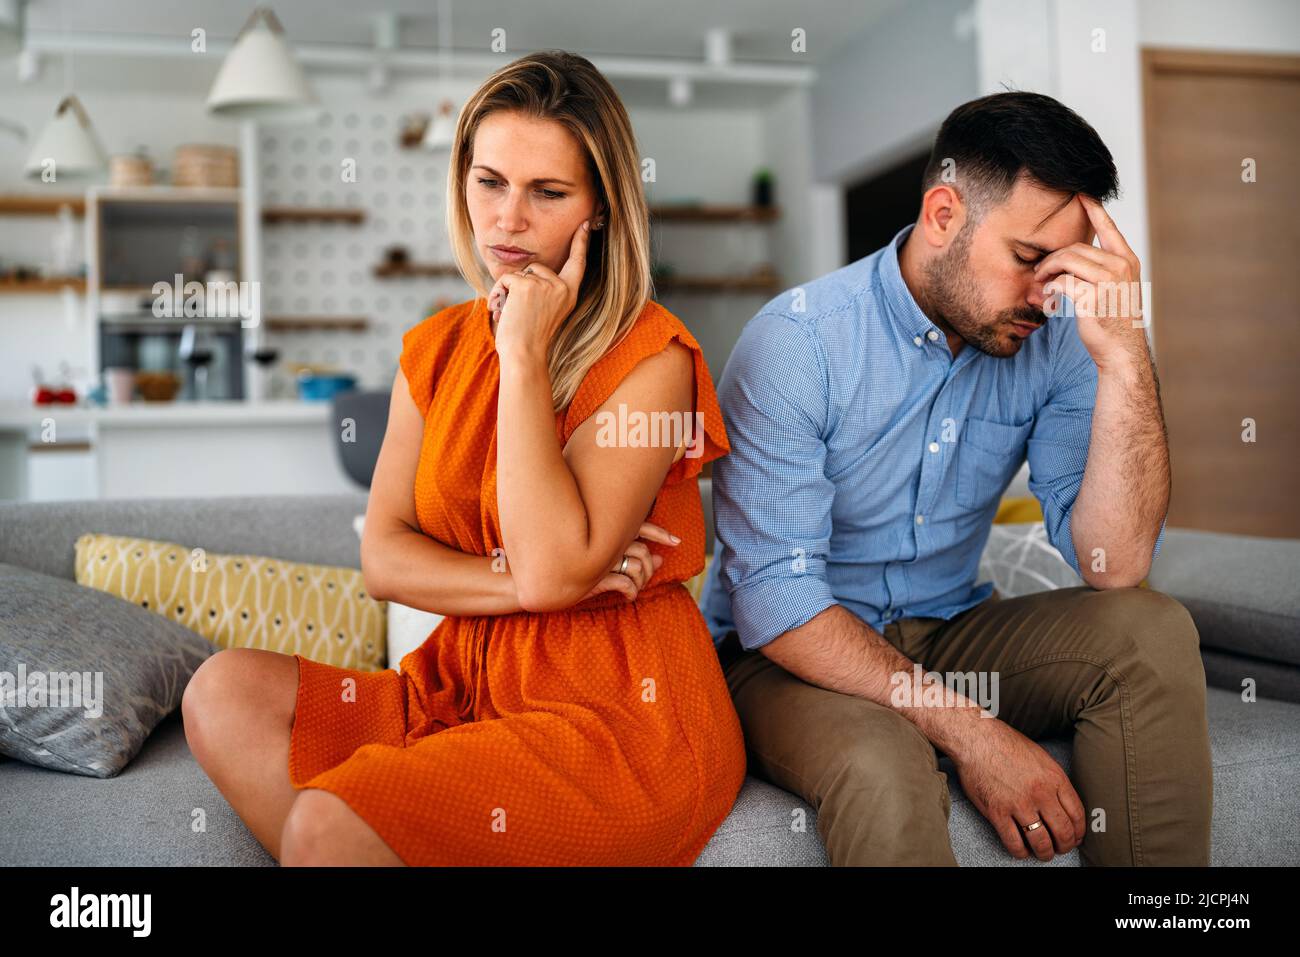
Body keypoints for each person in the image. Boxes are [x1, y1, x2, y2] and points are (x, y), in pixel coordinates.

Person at [183, 50, 745, 866]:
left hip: (617, 715)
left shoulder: (651, 359)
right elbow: (385, 555)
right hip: (461, 683)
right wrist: (536, 584)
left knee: (326, 825)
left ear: (601, 210)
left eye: (547, 192)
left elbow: (552, 569)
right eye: (489, 182)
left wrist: (521, 353)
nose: (507, 220)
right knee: (222, 691)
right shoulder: (436, 348)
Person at [699, 91, 1211, 866]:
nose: (1048, 295)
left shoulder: (1063, 335)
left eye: (1067, 268)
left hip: (946, 630)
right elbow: (778, 599)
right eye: (1030, 260)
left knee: (1151, 628)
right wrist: (975, 732)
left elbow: (1117, 564)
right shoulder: (797, 343)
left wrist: (1127, 353)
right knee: (882, 754)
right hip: (788, 656)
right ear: (943, 215)